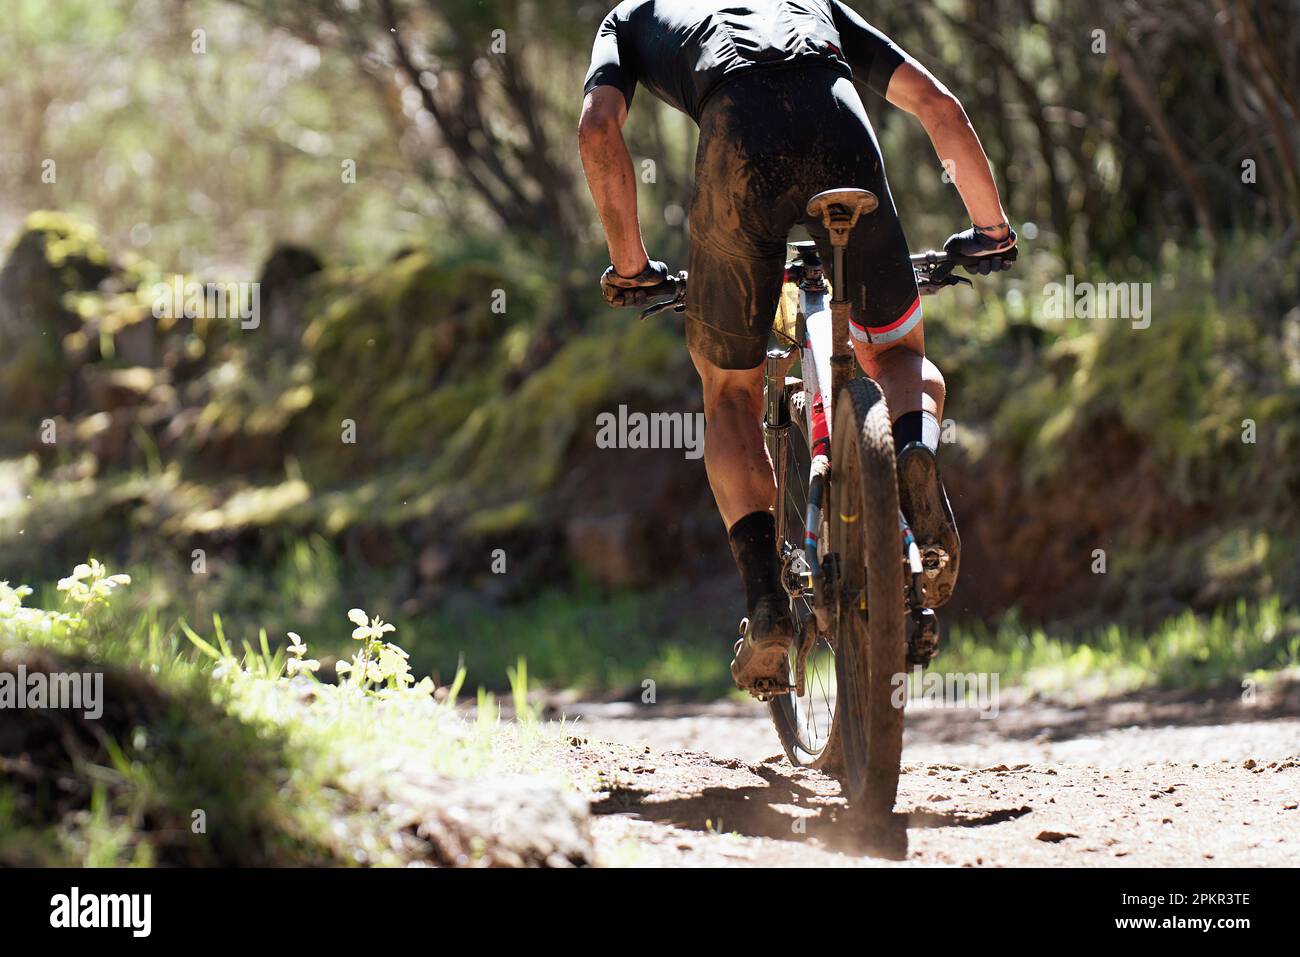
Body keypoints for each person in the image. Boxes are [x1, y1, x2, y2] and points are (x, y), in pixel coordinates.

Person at [577, 0, 1016, 693]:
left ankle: (765, 604)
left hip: (738, 147)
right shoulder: (811, 3)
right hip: (841, 130)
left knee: (730, 393)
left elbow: (598, 127)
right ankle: (911, 451)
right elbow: (938, 105)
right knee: (902, 360)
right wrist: (991, 228)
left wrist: (629, 264)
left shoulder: (633, 17)